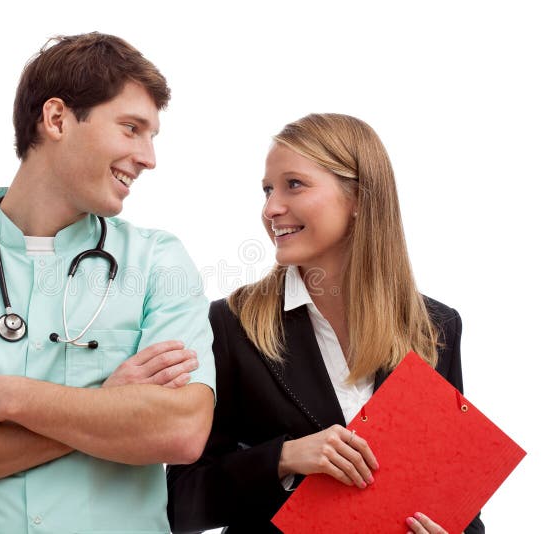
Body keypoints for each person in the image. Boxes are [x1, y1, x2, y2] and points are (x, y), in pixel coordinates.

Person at [0, 32, 215, 534]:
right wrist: (107, 404)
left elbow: (180, 430)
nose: (148, 157)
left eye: (151, 136)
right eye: (132, 128)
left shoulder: (159, 261)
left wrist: (11, 398)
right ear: (56, 119)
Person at [166, 113, 484, 533]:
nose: (271, 208)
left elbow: (455, 493)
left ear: (358, 199)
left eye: (293, 184)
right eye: (267, 190)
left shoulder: (436, 328)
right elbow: (182, 502)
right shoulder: (230, 325)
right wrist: (284, 458)